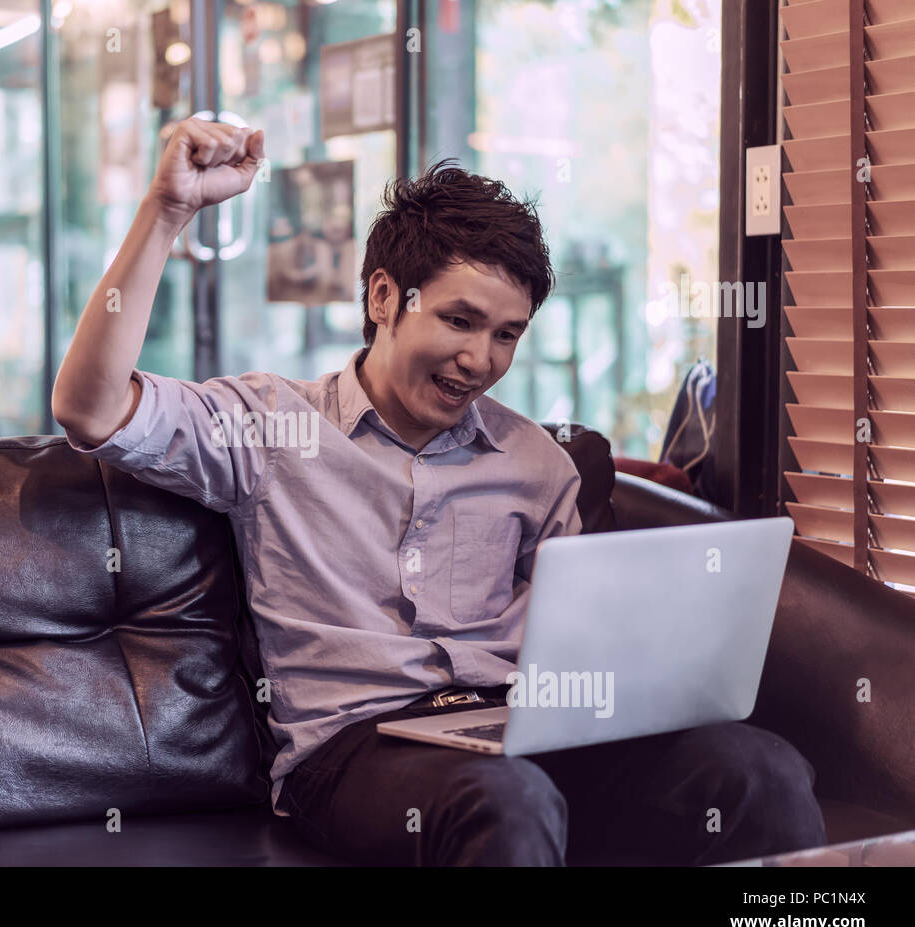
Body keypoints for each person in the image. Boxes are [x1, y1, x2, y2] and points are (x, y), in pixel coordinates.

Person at [51, 117, 827, 866]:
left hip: (521, 730)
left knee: (759, 769)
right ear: (385, 298)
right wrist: (169, 210)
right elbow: (90, 407)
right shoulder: (269, 427)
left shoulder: (537, 462)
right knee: (506, 799)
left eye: (507, 334)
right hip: (359, 749)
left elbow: (580, 641)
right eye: (459, 320)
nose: (480, 359)